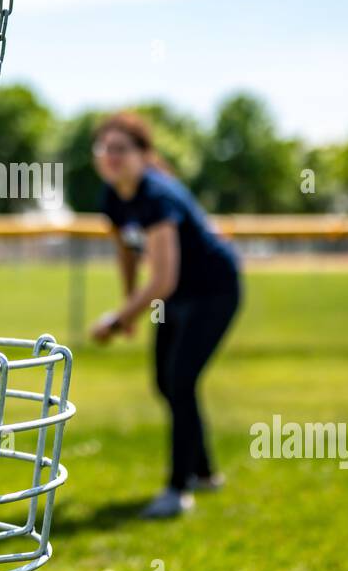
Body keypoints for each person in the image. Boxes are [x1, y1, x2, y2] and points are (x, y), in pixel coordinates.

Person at [89, 112, 243, 519]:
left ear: (143, 154)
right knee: (167, 381)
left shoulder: (159, 195)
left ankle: (178, 490)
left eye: (120, 148)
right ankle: (205, 472)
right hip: (174, 298)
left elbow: (163, 280)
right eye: (103, 148)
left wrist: (116, 319)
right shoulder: (112, 196)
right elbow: (125, 250)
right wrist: (129, 306)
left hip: (213, 291)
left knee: (180, 379)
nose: (110, 156)